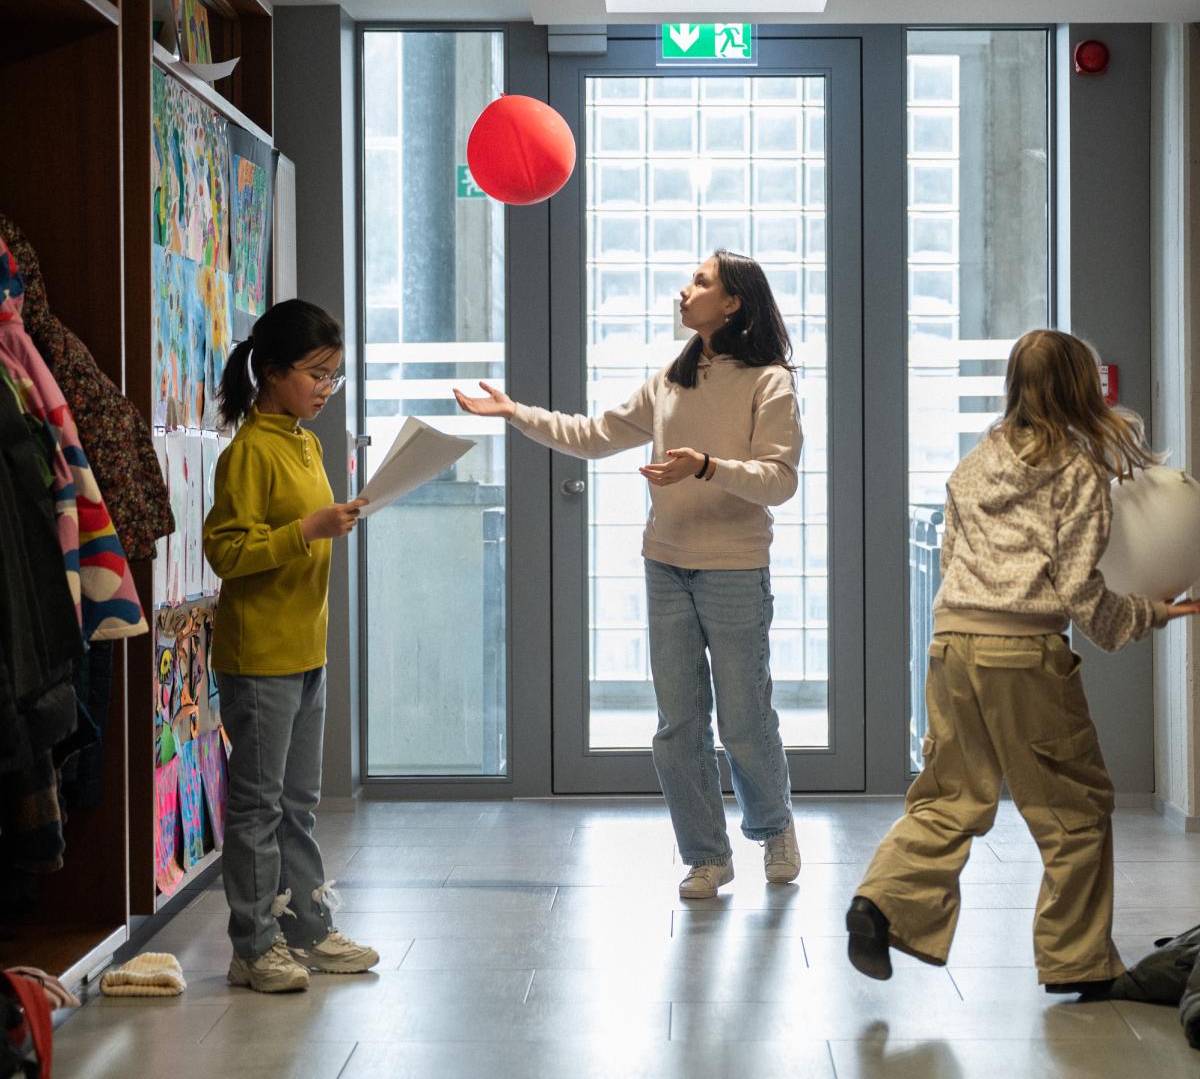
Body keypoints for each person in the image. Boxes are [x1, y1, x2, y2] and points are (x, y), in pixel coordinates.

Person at [846, 328, 1200, 994]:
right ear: (1079, 388)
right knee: (1077, 810)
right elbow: (1077, 589)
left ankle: (882, 903)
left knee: (951, 794)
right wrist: (1154, 613)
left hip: (950, 645)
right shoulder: (1078, 472)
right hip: (1023, 652)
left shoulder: (975, 462)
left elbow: (954, 559)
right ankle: (1079, 962)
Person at [455, 249, 804, 899]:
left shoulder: (770, 382)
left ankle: (774, 826)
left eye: (700, 282)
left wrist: (706, 465)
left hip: (734, 570)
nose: (684, 290)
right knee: (678, 724)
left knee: (745, 720)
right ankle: (706, 856)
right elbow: (591, 434)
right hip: (666, 567)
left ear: (732, 303)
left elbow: (779, 481)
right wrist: (513, 413)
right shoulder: (670, 381)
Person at [203, 299, 377, 994]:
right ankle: (253, 945)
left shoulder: (302, 440)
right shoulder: (250, 449)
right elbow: (226, 550)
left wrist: (329, 522)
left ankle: (305, 925)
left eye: (334, 377)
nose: (326, 390)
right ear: (272, 372)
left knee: (298, 804)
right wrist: (306, 530)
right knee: (257, 806)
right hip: (260, 659)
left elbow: (302, 528)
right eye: (316, 375)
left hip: (307, 650)